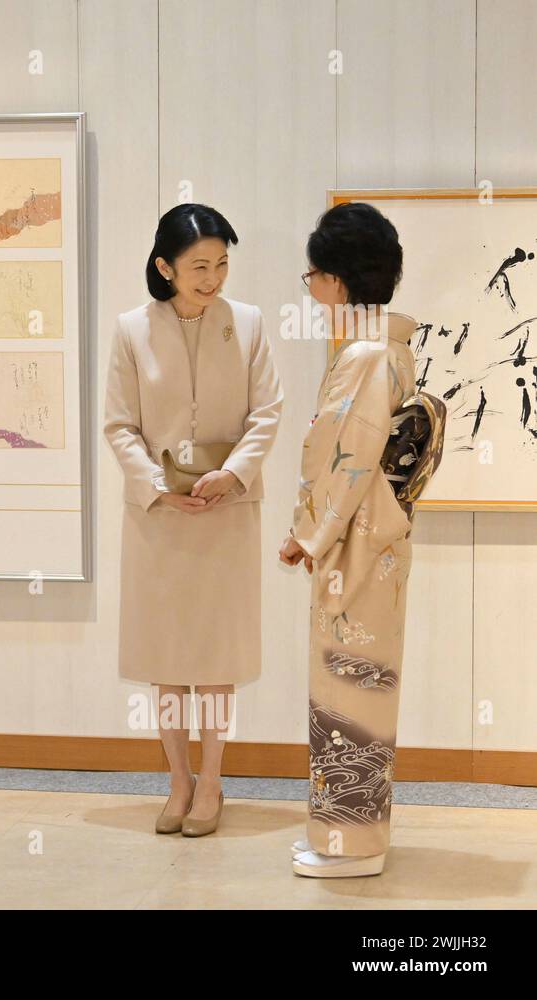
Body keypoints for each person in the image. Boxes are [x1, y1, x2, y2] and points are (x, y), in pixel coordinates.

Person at [104, 203, 283, 837]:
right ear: (165, 267)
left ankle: (212, 780)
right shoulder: (132, 329)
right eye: (199, 266)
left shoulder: (251, 323)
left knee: (216, 654)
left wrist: (233, 474)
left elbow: (268, 412)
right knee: (168, 656)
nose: (213, 278)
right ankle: (177, 781)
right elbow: (120, 425)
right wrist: (158, 488)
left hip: (227, 512)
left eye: (222, 264)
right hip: (159, 519)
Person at [279, 202, 418, 877]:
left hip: (356, 545)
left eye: (314, 278)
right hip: (373, 543)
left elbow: (349, 456)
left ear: (336, 280)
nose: (314, 293)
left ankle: (349, 845)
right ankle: (351, 835)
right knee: (361, 683)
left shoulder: (364, 355)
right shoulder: (385, 348)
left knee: (346, 687)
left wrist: (308, 534)